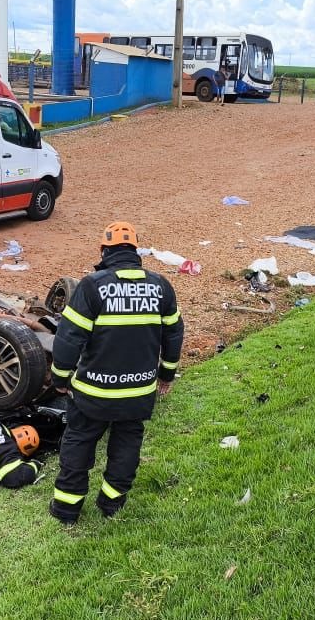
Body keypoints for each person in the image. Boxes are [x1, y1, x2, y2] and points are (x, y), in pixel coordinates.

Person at [48, 222, 184, 524]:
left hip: (92, 393)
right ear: (136, 252)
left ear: (104, 251)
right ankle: (112, 504)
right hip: (138, 393)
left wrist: (59, 378)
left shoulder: (92, 286)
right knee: (127, 446)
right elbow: (174, 334)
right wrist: (166, 375)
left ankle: (66, 509)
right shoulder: (161, 286)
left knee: (79, 443)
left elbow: (69, 338)